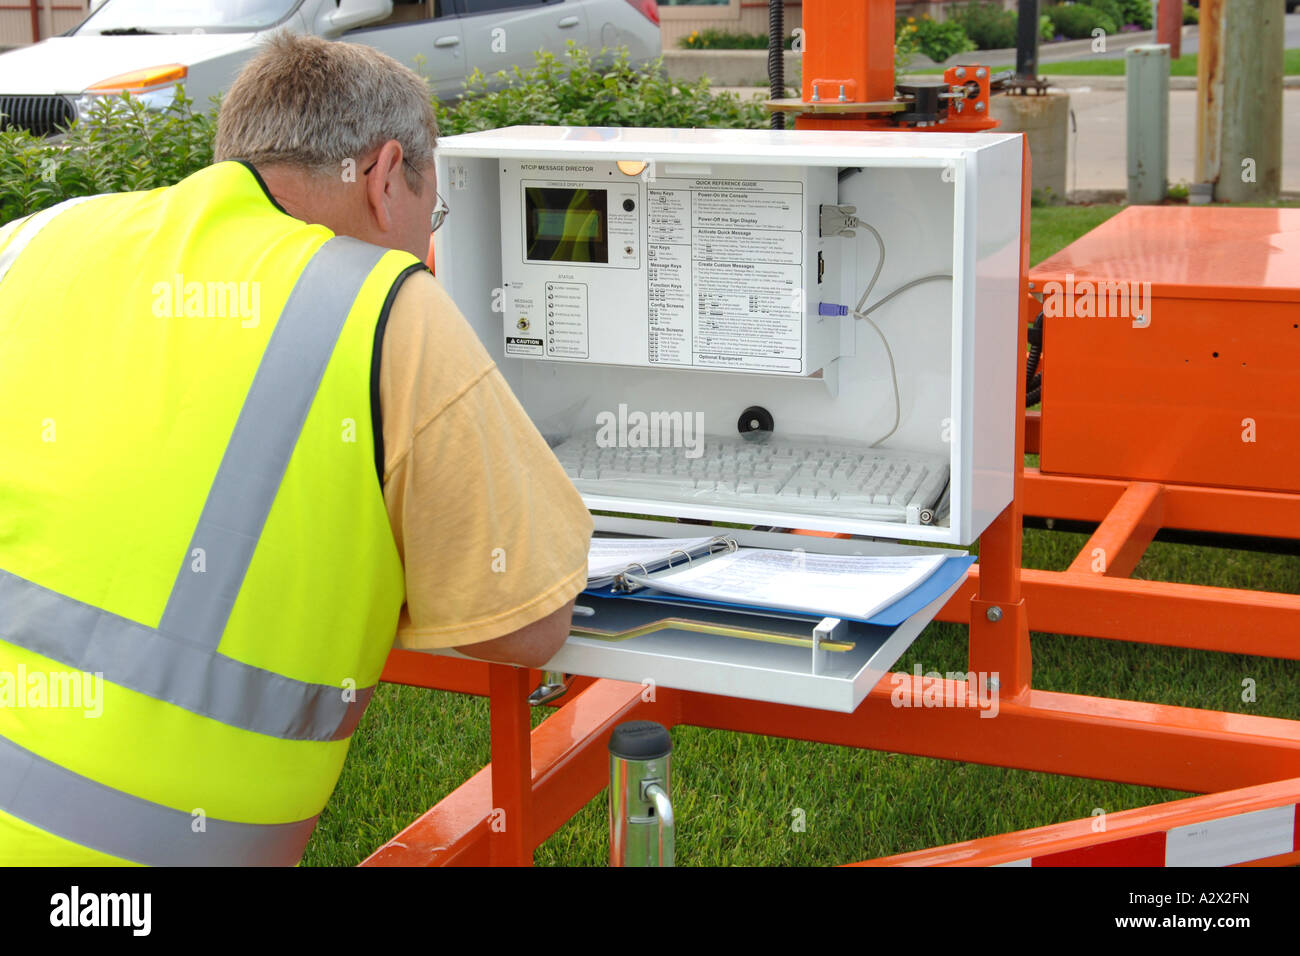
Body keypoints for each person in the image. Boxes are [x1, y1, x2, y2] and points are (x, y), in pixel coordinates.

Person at [0, 32, 593, 865]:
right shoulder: (389, 309)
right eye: (437, 212)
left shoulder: (34, 240)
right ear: (387, 178)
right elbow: (528, 624)